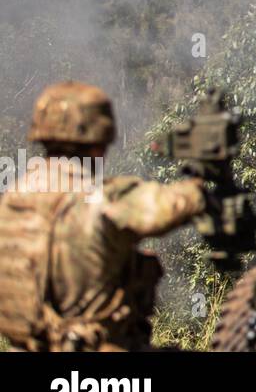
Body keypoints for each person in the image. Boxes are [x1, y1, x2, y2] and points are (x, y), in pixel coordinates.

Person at [0, 81, 206, 351]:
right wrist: (202, 186)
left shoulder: (12, 199)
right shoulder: (99, 196)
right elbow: (170, 206)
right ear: (99, 144)